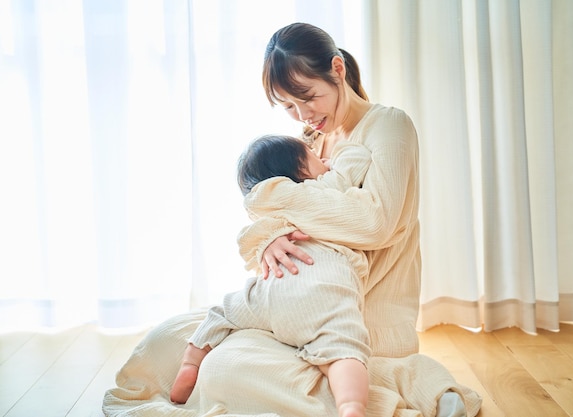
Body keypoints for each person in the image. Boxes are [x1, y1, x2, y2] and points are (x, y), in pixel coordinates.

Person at [102, 22, 482, 417]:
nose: (302, 115)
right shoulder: (313, 139)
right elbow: (268, 219)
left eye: (308, 97)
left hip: (349, 314)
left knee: (224, 370)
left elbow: (374, 223)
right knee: (169, 338)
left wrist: (278, 198)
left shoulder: (388, 126)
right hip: (291, 304)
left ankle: (404, 392)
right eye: (288, 106)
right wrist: (269, 237)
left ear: (337, 69)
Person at [170, 134, 374, 417]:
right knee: (342, 349)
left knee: (222, 312)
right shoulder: (320, 191)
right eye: (316, 157)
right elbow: (358, 159)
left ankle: (190, 365)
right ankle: (350, 405)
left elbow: (248, 238)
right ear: (303, 171)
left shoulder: (264, 204)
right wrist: (338, 156)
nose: (324, 160)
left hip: (271, 289)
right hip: (323, 282)